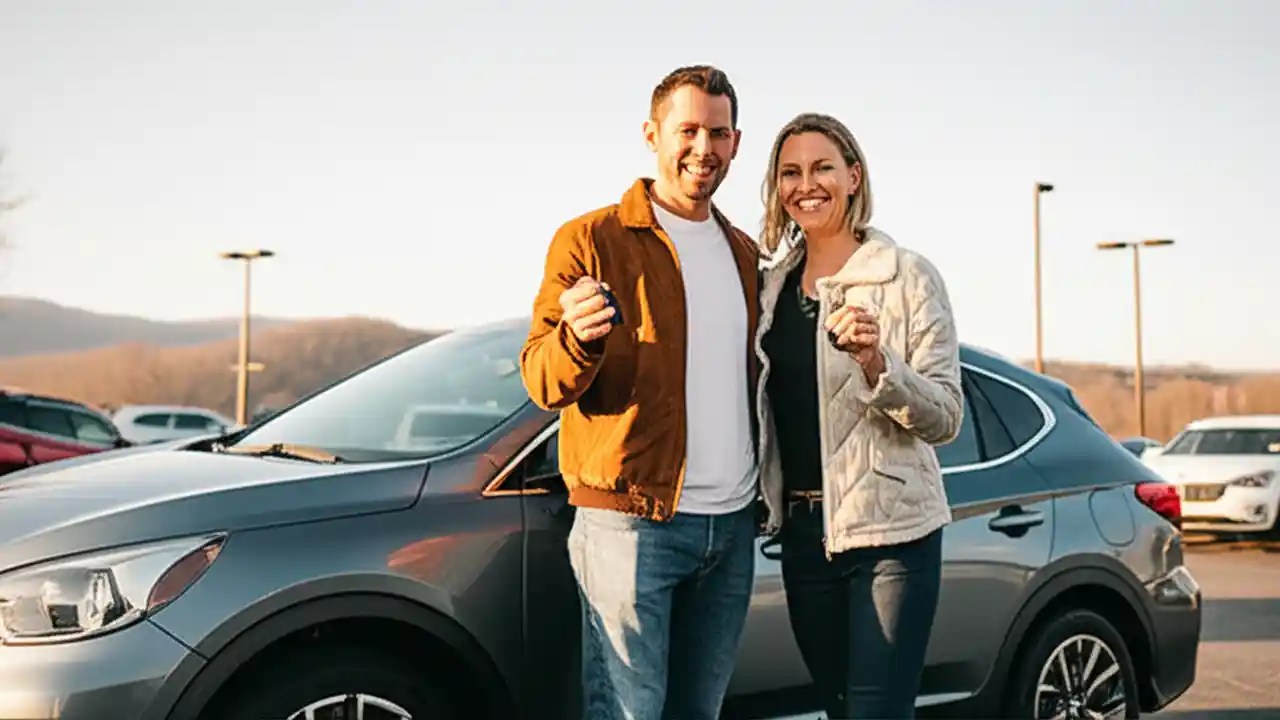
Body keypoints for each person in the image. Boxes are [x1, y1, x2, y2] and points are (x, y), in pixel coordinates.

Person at [519, 65, 761, 720]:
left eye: (717, 133)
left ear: (736, 142)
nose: (702, 149)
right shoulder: (591, 241)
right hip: (629, 525)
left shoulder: (746, 255)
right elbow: (541, 380)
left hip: (733, 528)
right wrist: (576, 337)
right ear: (652, 135)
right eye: (687, 130)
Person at [754, 112, 963, 719]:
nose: (806, 184)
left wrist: (878, 363)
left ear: (852, 176)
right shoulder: (770, 290)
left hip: (892, 538)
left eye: (822, 168)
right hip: (802, 537)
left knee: (875, 711)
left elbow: (946, 416)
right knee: (839, 707)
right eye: (790, 172)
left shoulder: (908, 278)